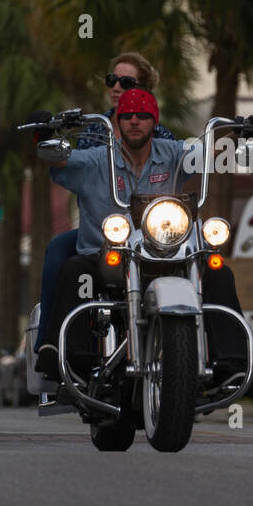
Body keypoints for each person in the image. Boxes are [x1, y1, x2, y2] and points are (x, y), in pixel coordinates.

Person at [33, 87, 245, 381]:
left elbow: (211, 153)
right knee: (75, 270)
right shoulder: (96, 159)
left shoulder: (173, 154)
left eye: (143, 115)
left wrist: (239, 136)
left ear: (154, 122)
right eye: (128, 115)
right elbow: (60, 161)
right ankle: (67, 357)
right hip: (107, 259)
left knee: (218, 272)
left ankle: (231, 363)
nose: (135, 121)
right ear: (118, 122)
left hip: (164, 256)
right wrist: (45, 137)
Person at [36, 52, 176, 349]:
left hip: (154, 235)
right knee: (62, 253)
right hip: (104, 227)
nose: (115, 87)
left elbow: (196, 158)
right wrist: (44, 137)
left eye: (126, 82)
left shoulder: (163, 140)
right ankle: (50, 342)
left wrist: (234, 141)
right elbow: (75, 168)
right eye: (112, 80)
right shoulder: (93, 130)